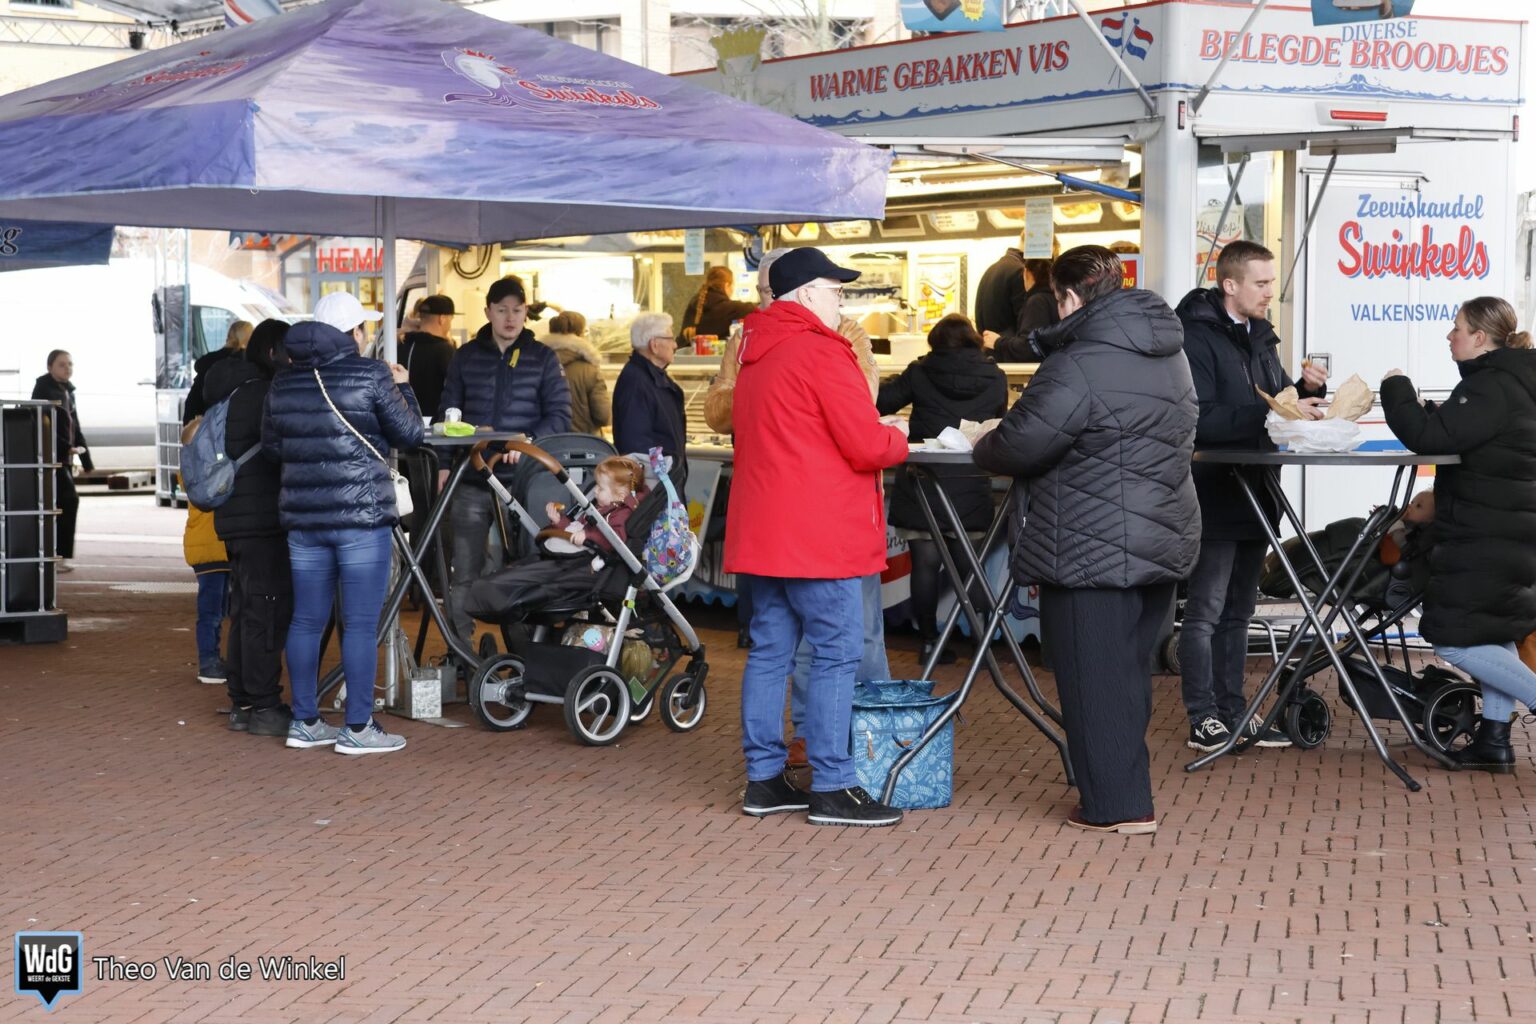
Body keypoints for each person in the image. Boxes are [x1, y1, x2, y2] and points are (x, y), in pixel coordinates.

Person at [973, 245, 1200, 835]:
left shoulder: (1078, 362)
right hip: (1161, 535)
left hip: (1087, 543)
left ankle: (1117, 806)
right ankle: (1125, 792)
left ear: (1068, 298)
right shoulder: (1168, 353)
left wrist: (983, 442)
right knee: (1126, 678)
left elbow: (1019, 444)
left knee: (1090, 679)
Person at [726, 246, 910, 827]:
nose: (842, 301)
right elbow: (863, 444)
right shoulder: (821, 352)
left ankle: (764, 780)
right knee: (835, 652)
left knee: (770, 652)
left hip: (764, 529)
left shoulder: (754, 350)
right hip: (818, 531)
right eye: (836, 291)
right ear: (806, 294)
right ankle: (832, 783)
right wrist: (898, 437)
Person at [1174, 240, 1327, 753]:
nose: (1270, 292)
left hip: (1258, 491)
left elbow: (1277, 401)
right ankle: (1203, 718)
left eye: (1271, 281)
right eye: (1261, 283)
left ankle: (1233, 712)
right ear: (1230, 285)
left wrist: (1306, 393)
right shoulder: (1193, 338)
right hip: (1214, 491)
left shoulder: (1261, 337)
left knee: (1239, 610)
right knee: (1205, 610)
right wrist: (1270, 415)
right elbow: (1198, 418)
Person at [262, 292, 424, 755]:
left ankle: (305, 721)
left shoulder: (284, 381)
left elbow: (273, 448)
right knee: (358, 623)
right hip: (361, 516)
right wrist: (405, 386)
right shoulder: (371, 374)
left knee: (307, 619)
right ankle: (357, 728)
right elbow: (410, 434)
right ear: (354, 333)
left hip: (303, 520)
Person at [1381, 296, 1536, 773]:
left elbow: (1427, 438)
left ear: (1481, 338)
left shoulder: (1493, 388)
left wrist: (1395, 388)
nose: (1450, 336)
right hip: (1512, 535)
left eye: (1457, 328)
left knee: (1452, 639)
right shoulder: (1513, 383)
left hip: (1484, 536)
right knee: (1495, 634)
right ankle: (1493, 740)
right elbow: (1458, 432)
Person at [438, 275, 572, 641]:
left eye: (517, 310)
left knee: (518, 570)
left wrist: (527, 441)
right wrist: (444, 465)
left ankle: (521, 653)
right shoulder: (465, 356)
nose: (510, 318)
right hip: (471, 480)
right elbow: (447, 413)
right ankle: (460, 649)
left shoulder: (543, 358)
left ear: (526, 312)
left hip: (524, 486)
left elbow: (561, 414)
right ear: (488, 312)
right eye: (502, 310)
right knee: (463, 569)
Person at [877, 313, 1008, 664]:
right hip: (969, 479)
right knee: (971, 565)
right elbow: (999, 419)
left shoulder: (920, 371)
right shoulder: (993, 375)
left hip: (924, 481)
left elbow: (881, 401)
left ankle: (929, 643)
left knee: (924, 564)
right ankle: (983, 645)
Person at [205, 319, 293, 737]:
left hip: (233, 517)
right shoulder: (266, 395)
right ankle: (263, 704)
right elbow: (281, 451)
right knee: (266, 611)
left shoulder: (233, 389)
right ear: (274, 353)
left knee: (244, 609)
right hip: (262, 520)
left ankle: (242, 698)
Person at [32, 350, 91, 573]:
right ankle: (56, 555)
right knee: (66, 501)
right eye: (62, 365)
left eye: (70, 364)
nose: (68, 369)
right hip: (47, 459)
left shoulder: (68, 392)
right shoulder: (44, 390)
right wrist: (67, 448)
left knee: (63, 503)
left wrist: (86, 460)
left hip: (61, 459)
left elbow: (74, 425)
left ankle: (58, 555)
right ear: (50, 367)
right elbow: (43, 426)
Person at [180, 421, 230, 687]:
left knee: (216, 609)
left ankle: (212, 659)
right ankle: (208, 662)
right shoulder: (207, 471)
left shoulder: (190, 470)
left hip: (205, 548)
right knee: (212, 610)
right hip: (214, 547)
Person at [613, 312, 688, 484]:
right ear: (654, 345)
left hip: (664, 483)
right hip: (655, 489)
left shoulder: (649, 377)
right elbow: (637, 447)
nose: (675, 345)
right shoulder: (636, 383)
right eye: (671, 338)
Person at [544, 455, 645, 553]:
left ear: (620, 496)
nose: (595, 490)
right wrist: (559, 521)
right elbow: (577, 527)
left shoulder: (620, 514)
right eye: (596, 484)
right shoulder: (601, 507)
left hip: (589, 556)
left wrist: (588, 536)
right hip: (576, 544)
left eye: (600, 488)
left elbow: (616, 541)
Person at [543, 310, 611, 435]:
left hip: (545, 445)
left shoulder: (536, 366)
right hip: (584, 444)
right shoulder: (590, 371)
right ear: (580, 334)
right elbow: (603, 415)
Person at [983, 258, 1058, 361]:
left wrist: (997, 342)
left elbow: (1028, 348)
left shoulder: (1037, 302)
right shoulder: (1055, 299)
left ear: (1026, 273)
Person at [398, 294, 457, 420]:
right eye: (451, 320)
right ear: (442, 319)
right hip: (436, 425)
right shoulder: (445, 350)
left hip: (405, 421)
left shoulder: (402, 345)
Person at [183, 319, 253, 424]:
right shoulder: (250, 366)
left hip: (200, 423)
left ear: (228, 336)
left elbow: (194, 400)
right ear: (250, 338)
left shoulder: (208, 361)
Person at [676, 265, 755, 345]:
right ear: (726, 285)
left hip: (682, 355)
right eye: (732, 286)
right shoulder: (729, 309)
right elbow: (751, 308)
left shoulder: (694, 304)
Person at [972, 234, 1027, 337]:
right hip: (1005, 347)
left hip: (988, 345)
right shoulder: (1019, 272)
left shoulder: (991, 269)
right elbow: (1023, 321)